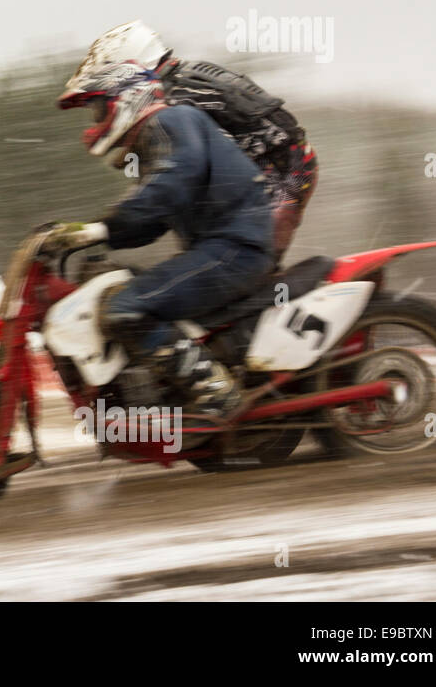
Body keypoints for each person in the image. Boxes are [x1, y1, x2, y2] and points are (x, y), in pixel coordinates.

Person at [44, 55, 276, 418]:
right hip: (226, 248)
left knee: (124, 309)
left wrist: (102, 228)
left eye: (98, 108)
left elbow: (171, 183)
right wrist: (93, 236)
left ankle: (215, 391)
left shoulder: (170, 120)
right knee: (119, 286)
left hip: (233, 249)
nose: (95, 122)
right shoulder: (159, 136)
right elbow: (154, 218)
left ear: (125, 97)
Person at [74, 21, 318, 259]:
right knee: (208, 242)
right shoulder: (174, 83)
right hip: (275, 159)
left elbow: (187, 161)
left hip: (285, 166)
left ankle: (278, 291)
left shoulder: (175, 94)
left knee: (248, 251)